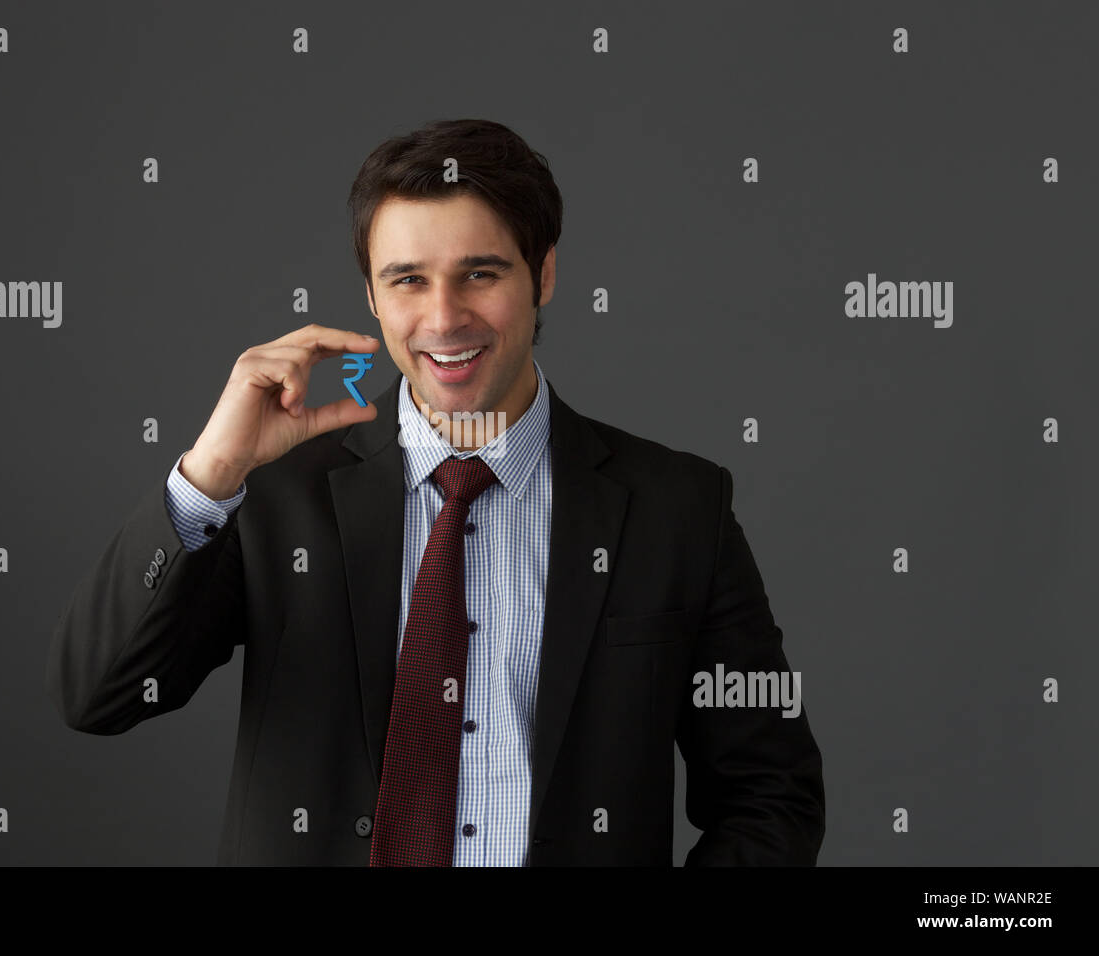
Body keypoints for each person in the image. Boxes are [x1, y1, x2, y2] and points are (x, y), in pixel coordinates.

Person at [46, 118, 825, 866]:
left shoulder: (677, 508)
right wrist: (209, 477)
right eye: (408, 280)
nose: (444, 319)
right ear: (373, 296)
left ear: (544, 273)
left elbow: (770, 793)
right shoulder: (272, 492)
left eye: (480, 274)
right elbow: (98, 696)